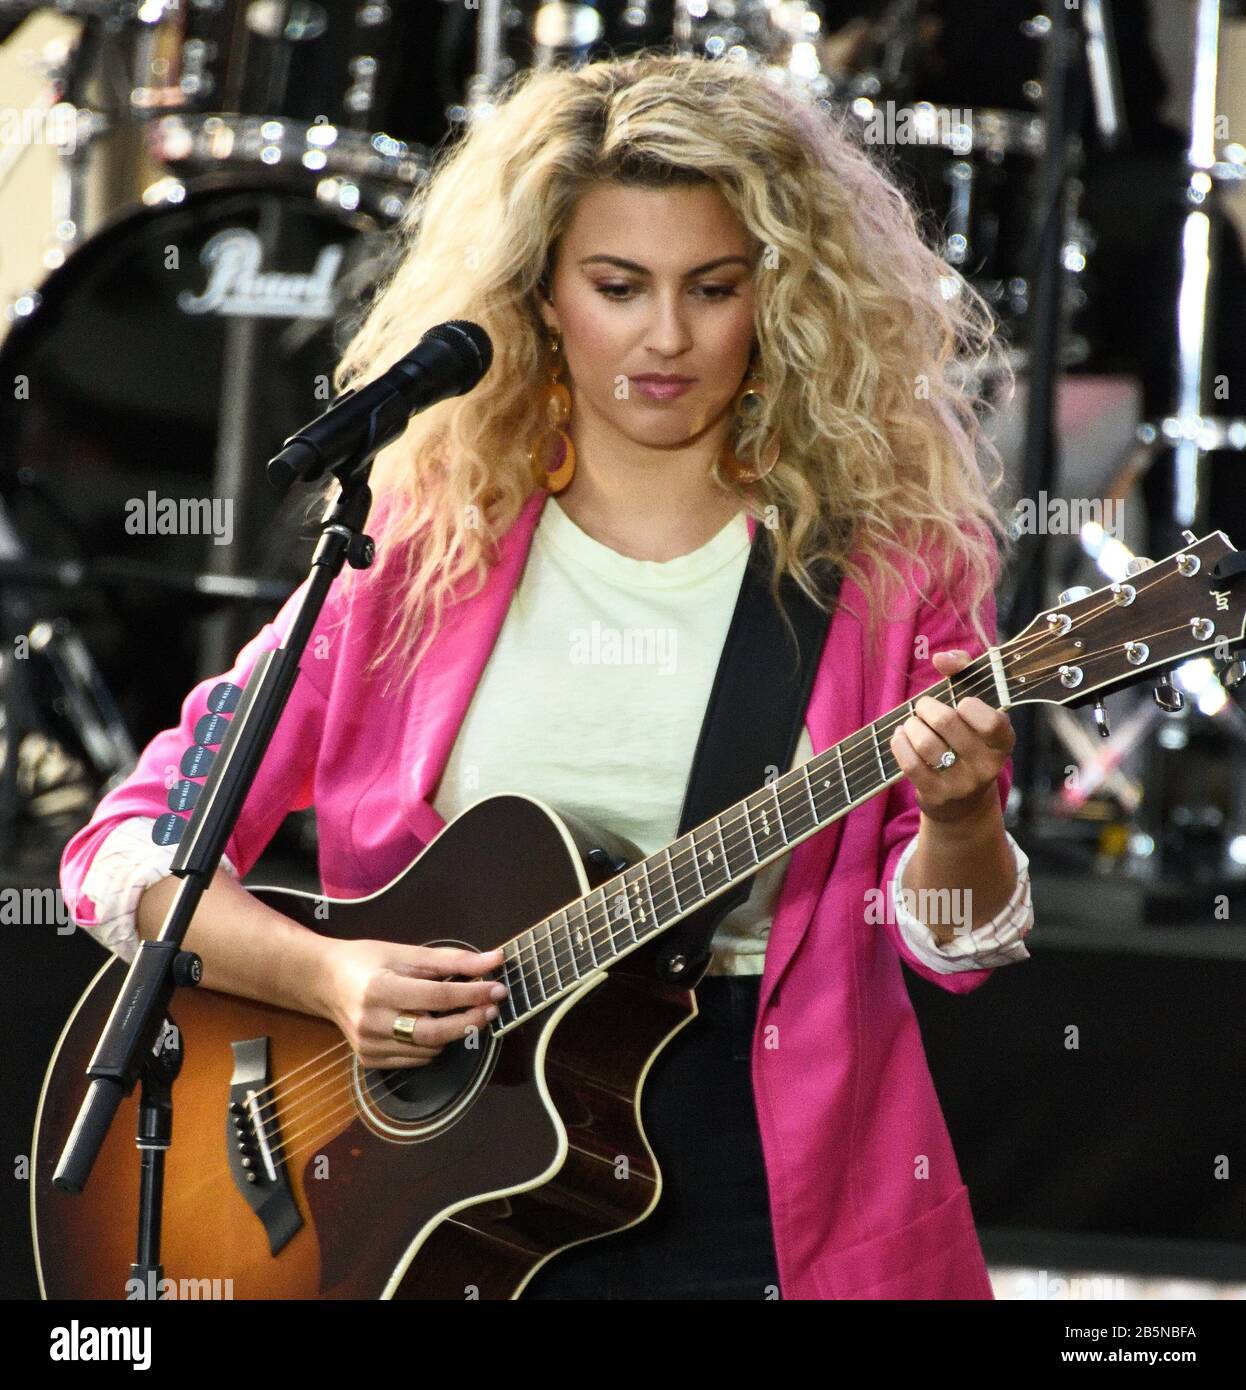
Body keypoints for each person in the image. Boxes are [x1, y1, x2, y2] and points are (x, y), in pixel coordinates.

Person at [59, 53, 1034, 1300]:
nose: (666, 337)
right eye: (618, 286)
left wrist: (962, 817)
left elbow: (956, 945)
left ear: (780, 297)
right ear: (541, 296)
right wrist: (329, 976)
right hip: (431, 1181)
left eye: (714, 287)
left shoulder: (892, 564)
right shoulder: (417, 550)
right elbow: (128, 853)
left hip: (765, 1172)